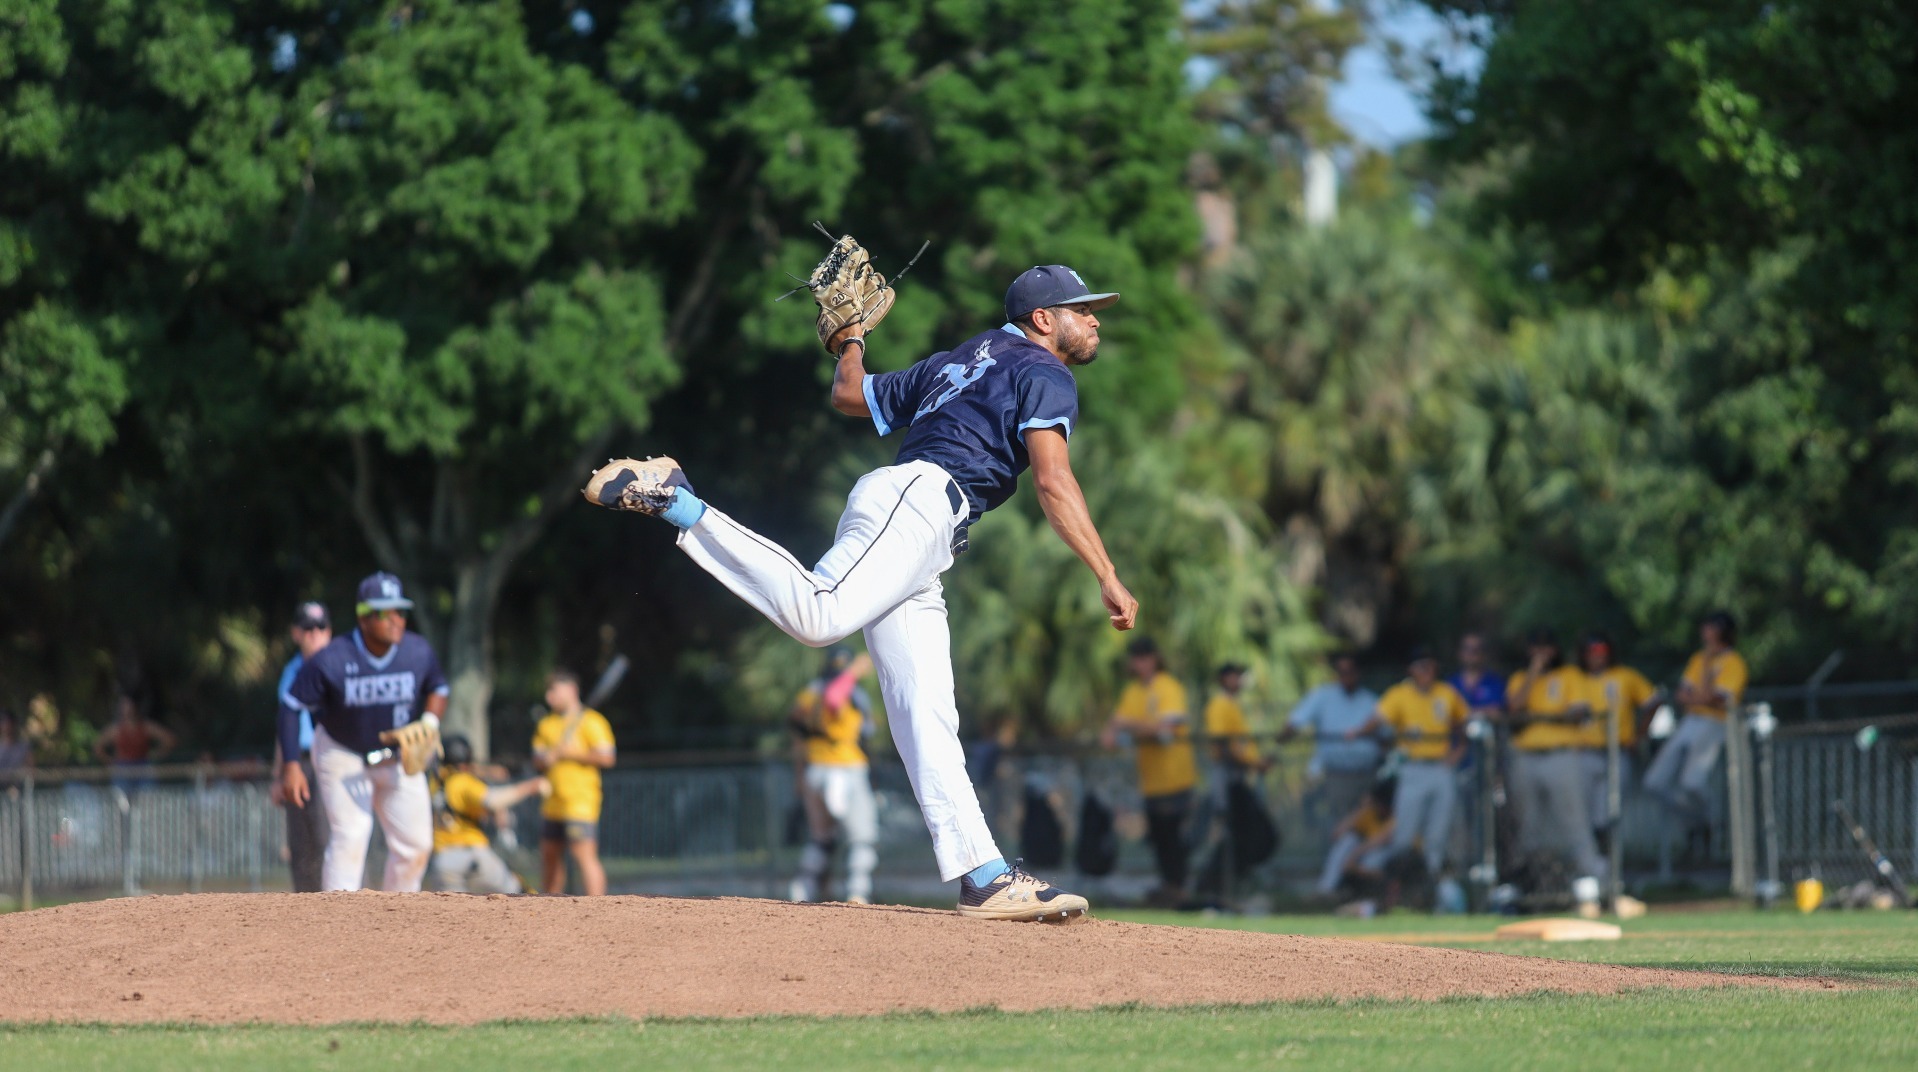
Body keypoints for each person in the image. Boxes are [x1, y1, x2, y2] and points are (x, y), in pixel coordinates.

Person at [582, 264, 1137, 922]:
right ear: (1044, 319)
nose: (1095, 318)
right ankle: (681, 503)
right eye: (1082, 308)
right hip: (919, 504)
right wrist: (1105, 571)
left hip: (921, 531)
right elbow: (1052, 481)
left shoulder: (958, 360)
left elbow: (851, 395)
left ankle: (984, 877)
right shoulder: (1046, 373)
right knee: (821, 616)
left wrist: (849, 337)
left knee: (924, 709)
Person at [278, 571, 448, 893]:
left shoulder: (417, 651)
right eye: (387, 613)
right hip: (342, 752)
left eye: (401, 611)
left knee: (416, 844)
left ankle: (398, 914)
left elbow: (438, 687)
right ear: (364, 617)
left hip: (397, 755)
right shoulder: (332, 658)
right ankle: (340, 920)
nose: (397, 620)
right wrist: (290, 765)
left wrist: (430, 722)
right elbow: (291, 705)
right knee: (352, 835)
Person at [1505, 628, 1607, 912]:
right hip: (1526, 756)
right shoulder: (1520, 678)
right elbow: (1514, 710)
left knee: (1573, 820)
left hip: (1561, 755)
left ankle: (1593, 886)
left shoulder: (1570, 676)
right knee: (1529, 825)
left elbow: (1577, 714)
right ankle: (1533, 889)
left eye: (1546, 649)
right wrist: (1534, 671)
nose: (1541, 654)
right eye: (1535, 649)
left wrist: (1537, 718)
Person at [1348, 647, 1468, 884]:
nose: (1427, 671)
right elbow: (1378, 719)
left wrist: (1456, 754)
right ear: (1411, 669)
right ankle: (1399, 883)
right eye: (1421, 666)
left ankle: (1431, 885)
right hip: (1413, 767)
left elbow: (1462, 724)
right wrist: (1358, 732)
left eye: (1430, 665)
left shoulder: (1446, 693)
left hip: (1440, 767)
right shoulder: (1400, 694)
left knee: (1438, 832)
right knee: (1404, 833)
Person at [1102, 636, 1197, 906]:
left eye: (1144, 657)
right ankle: (1170, 890)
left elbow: (1164, 729)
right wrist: (1119, 727)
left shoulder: (1169, 687)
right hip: (1151, 781)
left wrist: (1128, 724)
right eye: (1136, 658)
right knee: (1159, 839)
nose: (1139, 663)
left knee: (1175, 840)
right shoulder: (1133, 691)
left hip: (1176, 778)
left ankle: (1179, 890)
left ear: (1155, 658)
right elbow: (1113, 730)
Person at [1644, 611, 1749, 839]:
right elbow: (1683, 695)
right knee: (1654, 782)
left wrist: (1700, 697)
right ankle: (1700, 824)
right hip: (1691, 721)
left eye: (1710, 628)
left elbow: (1720, 700)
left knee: (1692, 783)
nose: (1705, 632)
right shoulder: (1699, 659)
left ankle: (1716, 824)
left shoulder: (1733, 662)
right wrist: (1702, 697)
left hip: (1715, 723)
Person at [787, 647, 880, 904]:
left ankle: (802, 890)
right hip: (845, 769)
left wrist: (799, 775)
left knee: (822, 839)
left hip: (816, 769)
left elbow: (795, 724)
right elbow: (834, 698)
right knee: (862, 839)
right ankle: (858, 893)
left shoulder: (811, 691)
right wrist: (854, 672)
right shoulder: (847, 690)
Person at [429, 734, 548, 894]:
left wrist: (489, 771)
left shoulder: (434, 783)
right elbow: (493, 801)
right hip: (472, 856)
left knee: (453, 913)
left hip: (442, 861)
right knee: (521, 894)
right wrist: (530, 787)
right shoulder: (462, 781)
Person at [533, 669, 615, 896]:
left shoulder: (592, 721)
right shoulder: (546, 724)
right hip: (552, 801)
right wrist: (546, 758)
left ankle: (597, 905)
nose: (549, 698)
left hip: (580, 801)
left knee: (583, 854)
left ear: (571, 690)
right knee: (549, 854)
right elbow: (537, 758)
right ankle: (549, 903)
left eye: (554, 691)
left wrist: (571, 753)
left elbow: (607, 757)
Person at [269, 601, 333, 892]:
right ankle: (305, 908)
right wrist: (278, 774)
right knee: (301, 840)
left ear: (329, 632)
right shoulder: (291, 672)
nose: (314, 634)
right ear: (296, 633)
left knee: (329, 834)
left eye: (320, 628)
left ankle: (342, 900)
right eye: (307, 628)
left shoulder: (338, 666)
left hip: (333, 758)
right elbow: (285, 728)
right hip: (300, 761)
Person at [1280, 652, 1382, 831]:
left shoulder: (1370, 700)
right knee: (1340, 826)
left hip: (1368, 775)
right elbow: (1295, 722)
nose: (1346, 676)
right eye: (1341, 672)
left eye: (1350, 671)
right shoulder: (1323, 696)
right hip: (1337, 775)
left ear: (1358, 672)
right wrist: (1281, 739)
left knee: (1367, 826)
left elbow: (1386, 735)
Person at [1316, 779, 1397, 898]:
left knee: (1375, 856)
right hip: (1363, 856)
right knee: (1349, 840)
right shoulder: (1370, 812)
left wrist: (1352, 859)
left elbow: (1379, 841)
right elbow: (1337, 834)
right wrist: (1361, 808)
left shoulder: (1398, 817)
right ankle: (1325, 890)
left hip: (1389, 861)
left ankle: (1372, 897)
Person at [94, 694, 177, 795]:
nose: (128, 709)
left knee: (148, 799)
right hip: (122, 768)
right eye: (124, 706)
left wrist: (156, 755)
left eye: (130, 705)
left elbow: (169, 740)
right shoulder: (116, 729)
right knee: (121, 800)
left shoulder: (146, 726)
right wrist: (111, 762)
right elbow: (98, 747)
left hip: (142, 767)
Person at [0, 708, 29, 774]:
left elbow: (31, 769)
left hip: (18, 782)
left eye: (9, 723)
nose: (6, 726)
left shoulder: (24, 747)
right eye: (3, 723)